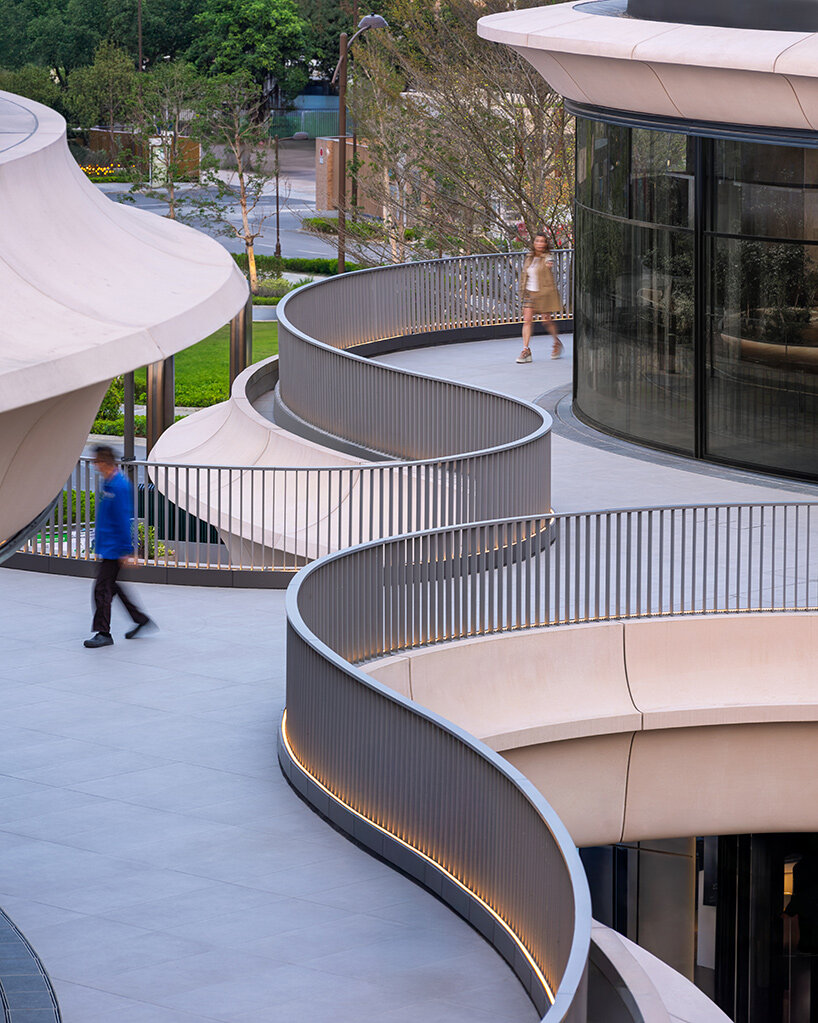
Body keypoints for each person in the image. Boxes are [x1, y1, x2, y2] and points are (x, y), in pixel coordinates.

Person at [84, 445, 153, 648]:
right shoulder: (109, 483)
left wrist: (126, 549)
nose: (95, 465)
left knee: (101, 589)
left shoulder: (119, 485)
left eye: (96, 461)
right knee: (111, 586)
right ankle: (141, 620)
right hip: (108, 546)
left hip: (115, 547)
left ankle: (103, 633)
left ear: (105, 462)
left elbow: (123, 519)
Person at [516, 232, 564, 363]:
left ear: (545, 244)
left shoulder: (547, 256)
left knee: (546, 321)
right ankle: (526, 350)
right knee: (527, 321)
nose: (540, 244)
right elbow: (524, 275)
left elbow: (550, 262)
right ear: (534, 243)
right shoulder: (529, 257)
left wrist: (548, 263)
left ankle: (557, 342)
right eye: (537, 241)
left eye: (542, 241)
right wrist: (522, 291)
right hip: (530, 293)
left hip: (543, 294)